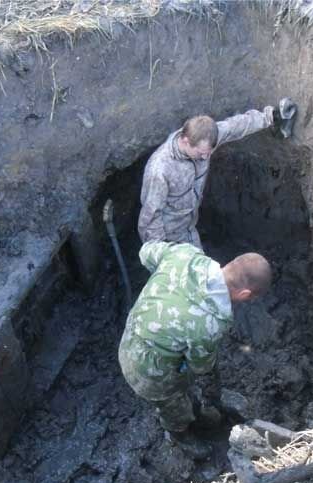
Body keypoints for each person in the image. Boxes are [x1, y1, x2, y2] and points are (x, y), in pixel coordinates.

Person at [118, 241, 272, 457]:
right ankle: (179, 434)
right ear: (245, 294)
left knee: (183, 363)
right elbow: (201, 367)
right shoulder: (210, 323)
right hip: (147, 373)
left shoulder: (184, 254)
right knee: (174, 405)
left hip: (129, 337)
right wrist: (211, 390)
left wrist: (167, 290)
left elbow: (146, 251)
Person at [137, 100, 296, 251]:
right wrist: (162, 254)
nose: (206, 158)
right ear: (185, 141)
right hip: (170, 237)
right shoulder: (160, 170)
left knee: (203, 273)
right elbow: (150, 217)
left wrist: (270, 117)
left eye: (209, 153)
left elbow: (234, 127)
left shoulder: (204, 137)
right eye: (201, 153)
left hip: (189, 228)